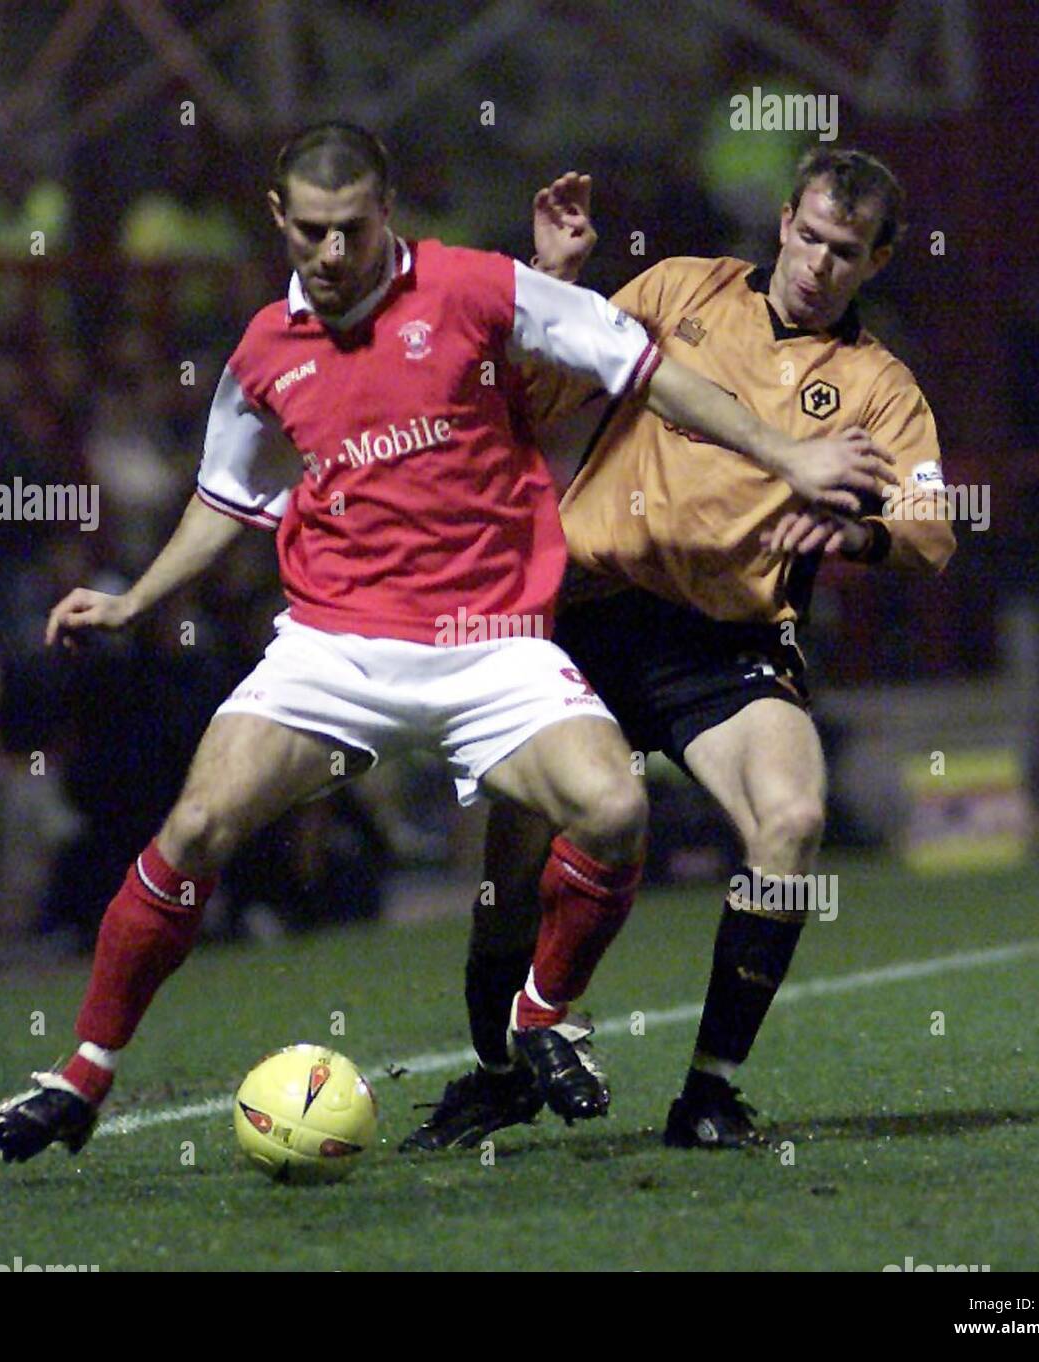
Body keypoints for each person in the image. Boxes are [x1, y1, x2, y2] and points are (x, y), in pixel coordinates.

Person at [0, 124, 893, 1163]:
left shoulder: (478, 287)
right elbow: (226, 496)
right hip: (332, 648)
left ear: (387, 210)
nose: (331, 253)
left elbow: (647, 370)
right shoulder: (263, 351)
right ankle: (81, 1075)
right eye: (310, 231)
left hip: (490, 646)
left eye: (352, 229)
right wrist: (136, 599)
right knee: (193, 828)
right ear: (279, 220)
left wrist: (786, 454)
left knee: (613, 810)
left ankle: (540, 1016)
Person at [403, 148, 954, 1153]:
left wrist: (860, 533)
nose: (819, 263)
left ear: (877, 261)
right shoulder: (674, 291)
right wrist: (553, 281)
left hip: (724, 644)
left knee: (791, 819)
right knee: (508, 873)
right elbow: (531, 402)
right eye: (810, 236)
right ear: (783, 220)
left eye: (845, 251)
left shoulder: (879, 386)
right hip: (587, 614)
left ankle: (707, 1094)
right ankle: (498, 1074)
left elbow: (932, 528)